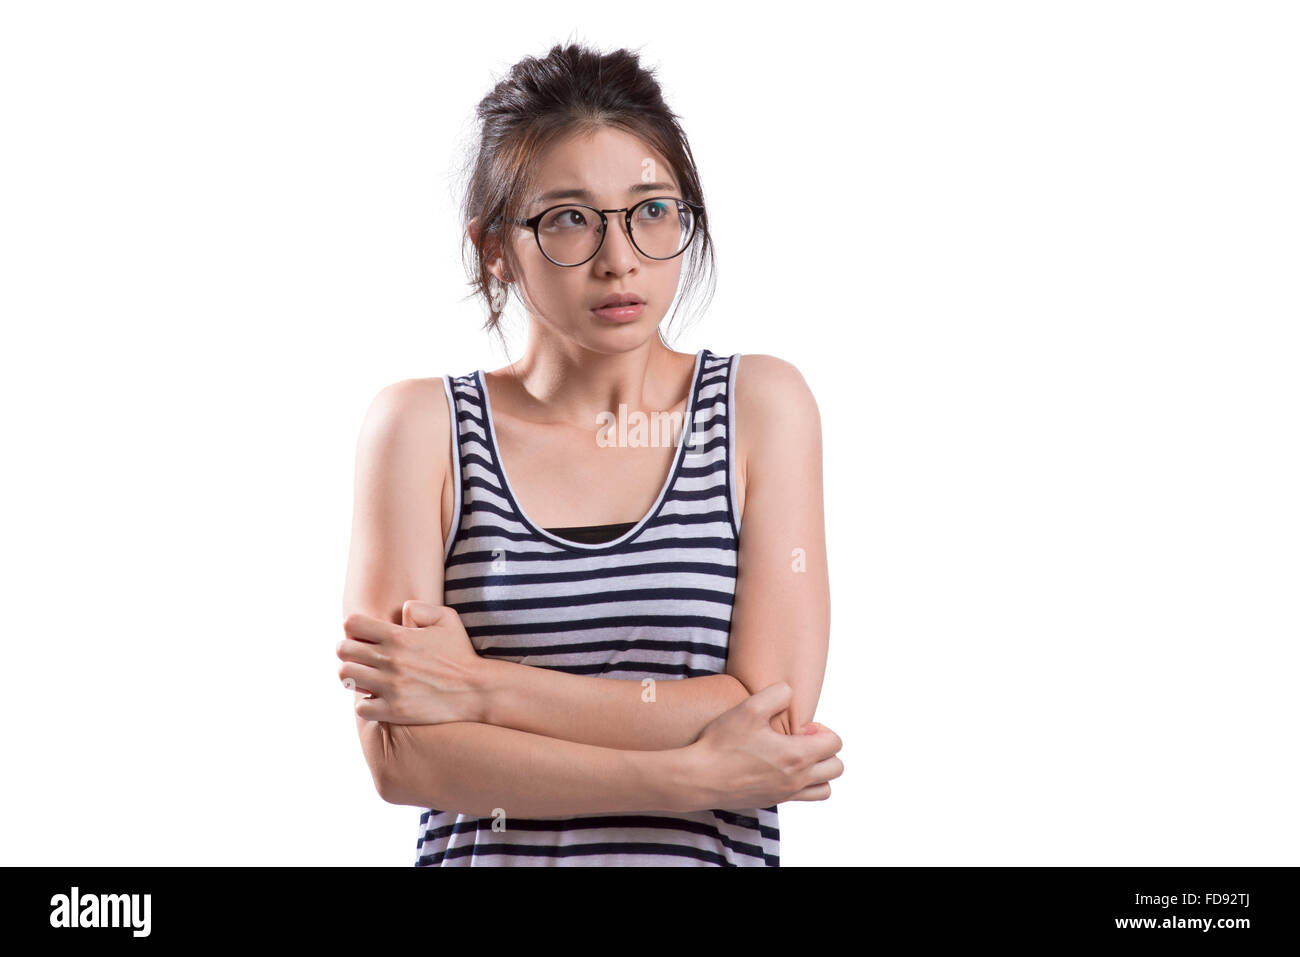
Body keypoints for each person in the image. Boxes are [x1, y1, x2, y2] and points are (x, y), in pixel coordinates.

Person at [339, 41, 842, 866]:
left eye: (651, 210)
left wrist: (480, 688)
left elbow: (772, 713)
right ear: (495, 246)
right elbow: (404, 756)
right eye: (569, 217)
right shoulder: (422, 429)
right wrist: (691, 774)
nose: (619, 258)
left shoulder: (759, 408)